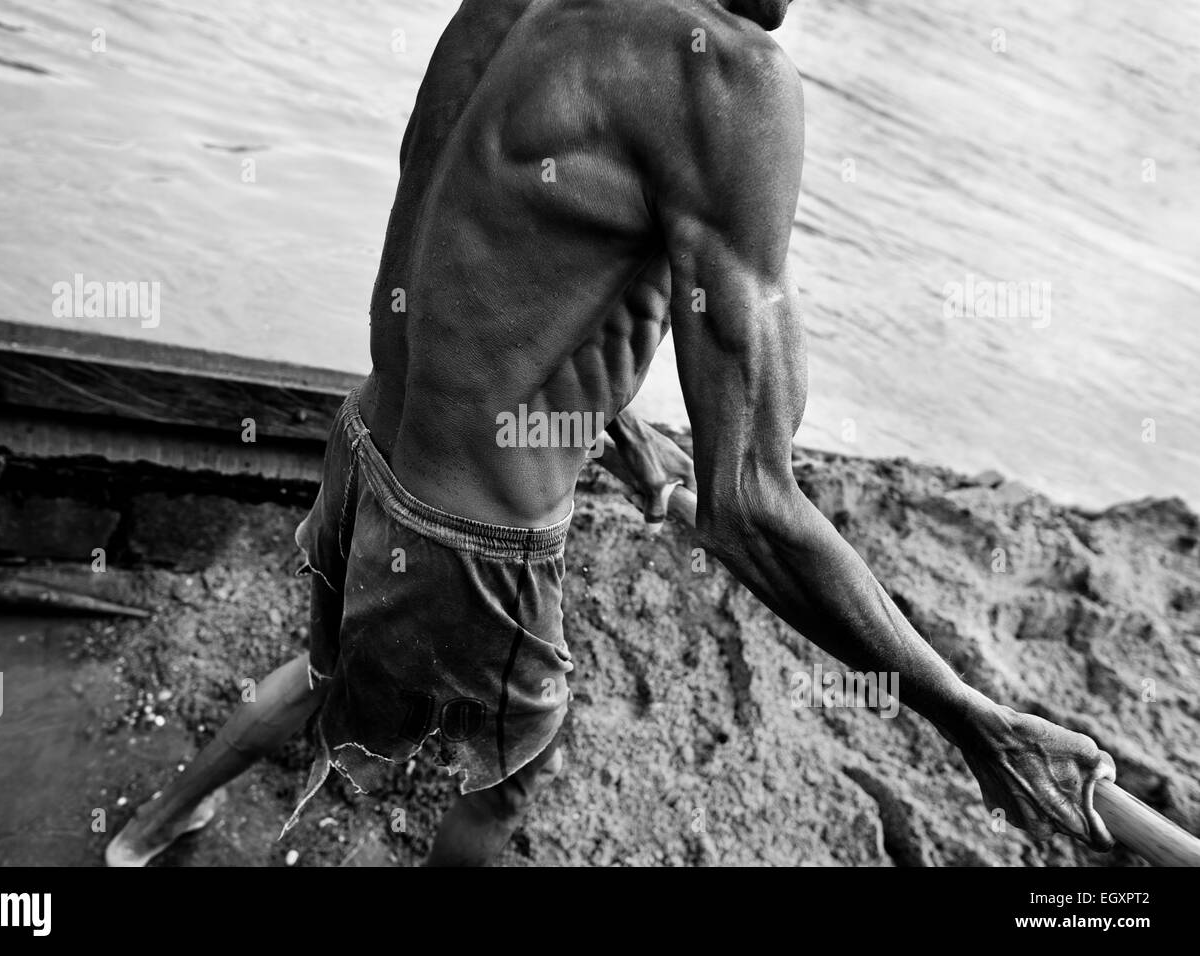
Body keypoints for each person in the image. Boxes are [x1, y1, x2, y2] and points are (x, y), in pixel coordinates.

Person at [107, 0, 1115, 867]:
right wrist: (970, 717)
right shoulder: (729, 77)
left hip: (367, 440)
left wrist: (607, 417)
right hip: (475, 538)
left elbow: (482, 252)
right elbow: (750, 507)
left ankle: (147, 831)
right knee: (511, 764)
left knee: (333, 669)